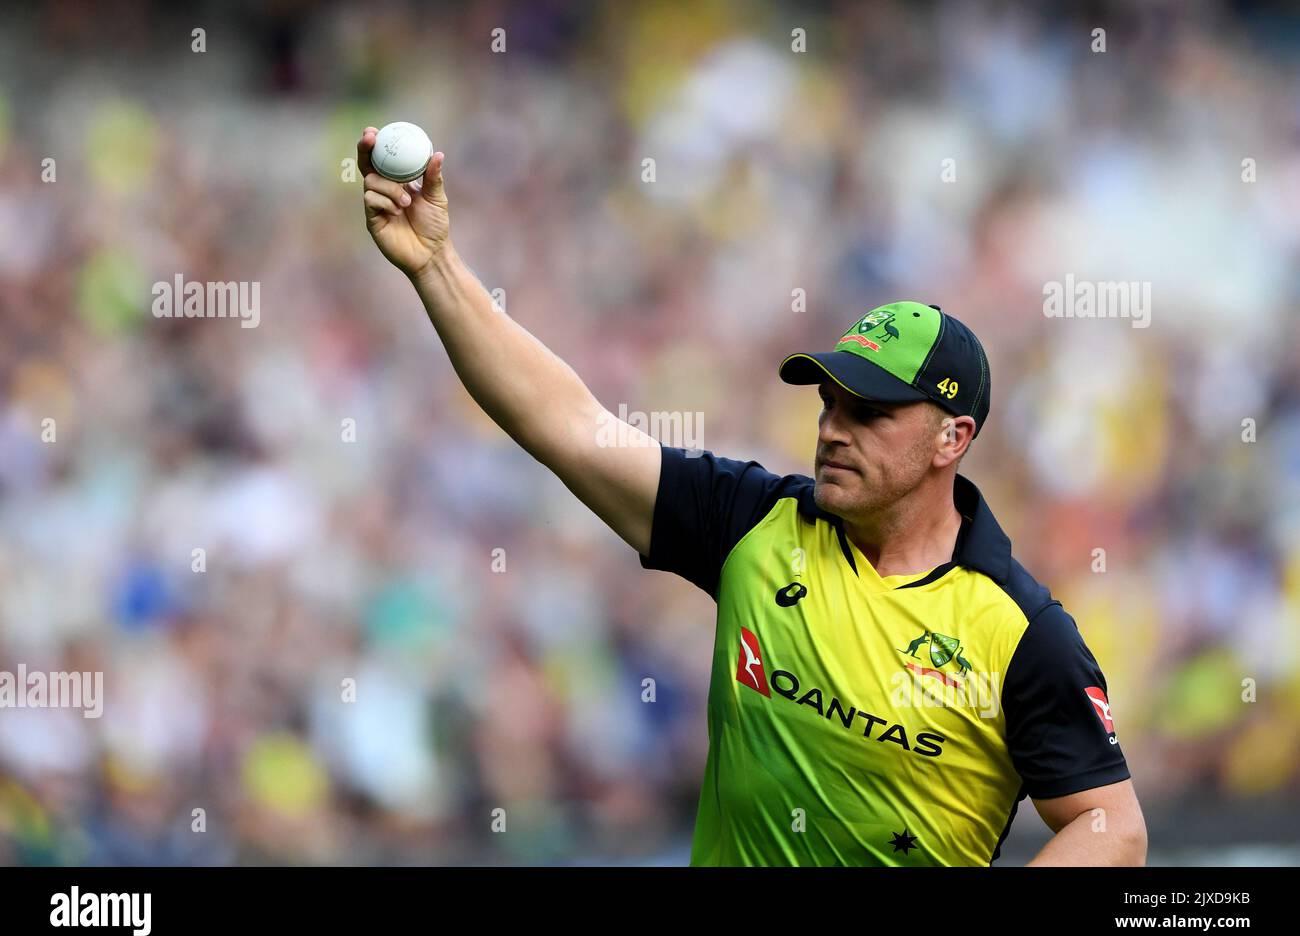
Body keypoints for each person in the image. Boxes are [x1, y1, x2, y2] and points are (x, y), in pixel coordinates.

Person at [355, 128, 1147, 866]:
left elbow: (1113, 825)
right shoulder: (751, 520)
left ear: (953, 438)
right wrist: (435, 265)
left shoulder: (1020, 630)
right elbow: (566, 425)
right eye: (829, 403)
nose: (835, 429)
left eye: (870, 412)